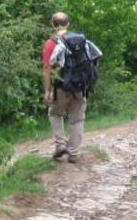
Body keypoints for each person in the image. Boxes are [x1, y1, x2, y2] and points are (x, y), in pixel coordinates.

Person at [41, 11, 102, 163]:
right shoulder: (82, 40)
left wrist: (47, 91)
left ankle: (60, 145)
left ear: (52, 24)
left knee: (55, 114)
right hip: (80, 87)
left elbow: (47, 69)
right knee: (77, 120)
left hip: (60, 86)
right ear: (68, 23)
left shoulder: (51, 43)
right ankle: (73, 153)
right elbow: (95, 59)